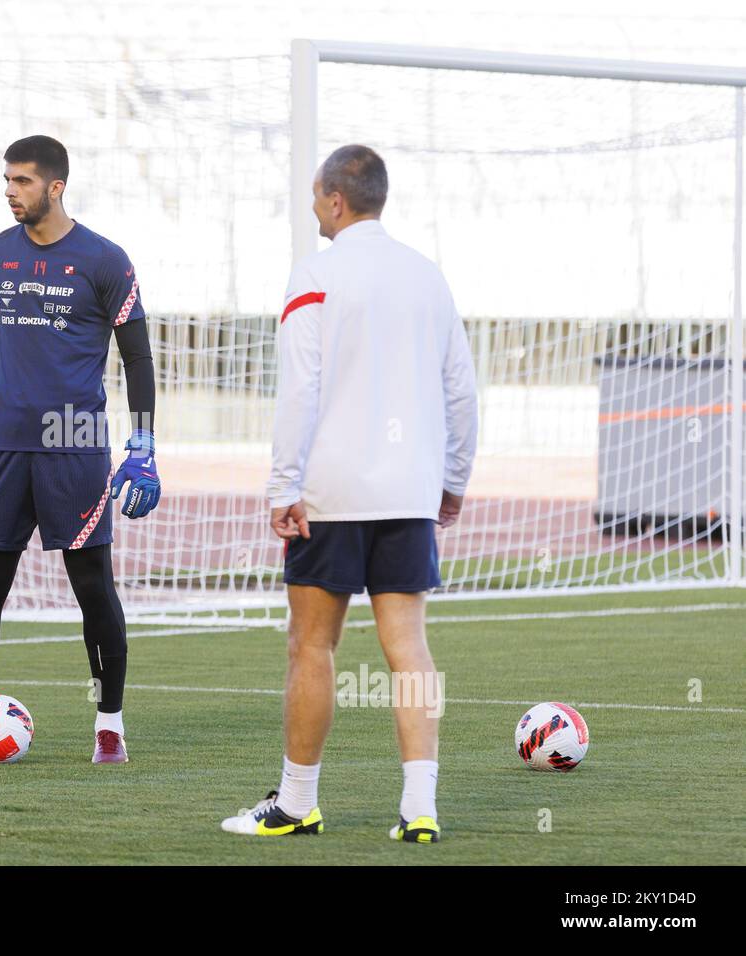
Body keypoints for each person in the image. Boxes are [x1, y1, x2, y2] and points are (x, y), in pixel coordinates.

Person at [221, 144, 478, 841]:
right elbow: (462, 389)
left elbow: (299, 389)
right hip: (408, 492)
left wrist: (283, 485)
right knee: (409, 649)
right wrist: (452, 480)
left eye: (314, 196)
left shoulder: (316, 274)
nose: (312, 208)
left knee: (311, 645)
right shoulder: (429, 278)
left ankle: (298, 802)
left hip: (331, 494)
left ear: (336, 199)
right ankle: (419, 808)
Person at [0, 135, 160, 765]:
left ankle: (110, 728)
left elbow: (137, 356)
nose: (10, 191)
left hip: (74, 446)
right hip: (6, 448)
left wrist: (143, 443)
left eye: (22, 181)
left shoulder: (105, 260)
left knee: (92, 586)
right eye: (7, 180)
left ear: (55, 186)